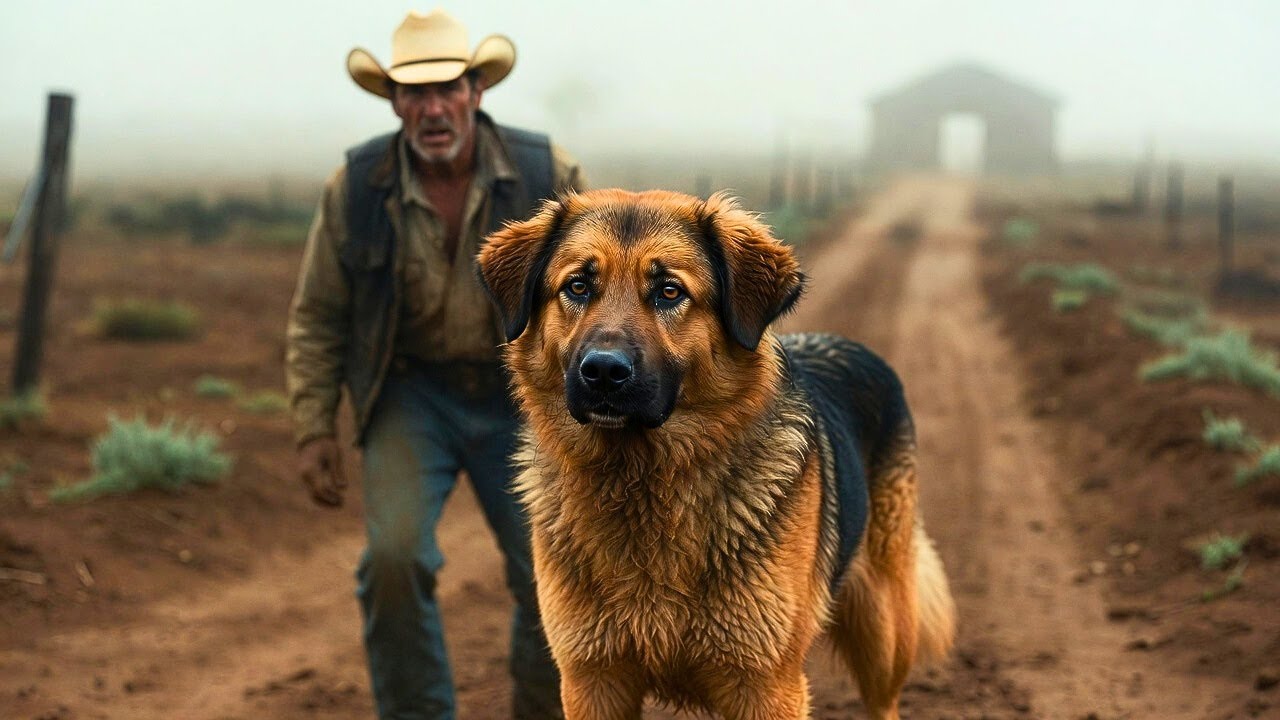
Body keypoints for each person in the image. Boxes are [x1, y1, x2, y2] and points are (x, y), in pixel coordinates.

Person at [285, 9, 585, 719]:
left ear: (477, 89)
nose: (433, 108)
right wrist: (312, 427)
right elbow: (317, 314)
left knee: (553, 568)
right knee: (392, 561)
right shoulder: (356, 187)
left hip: (524, 399)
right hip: (411, 393)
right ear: (393, 101)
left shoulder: (547, 174)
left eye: (447, 87)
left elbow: (594, 297)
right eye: (414, 94)